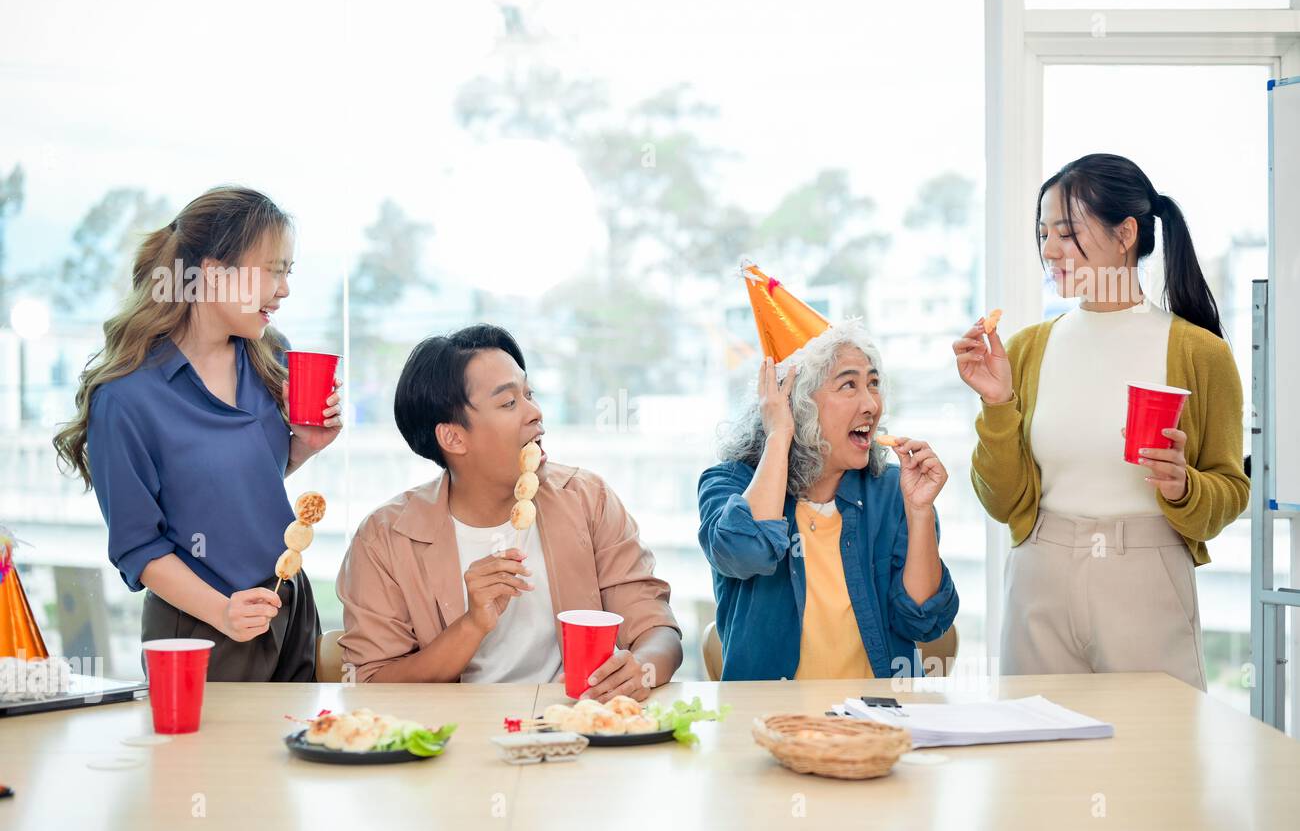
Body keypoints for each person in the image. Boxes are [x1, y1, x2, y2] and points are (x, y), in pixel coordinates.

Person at [956, 153, 1248, 690]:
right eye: (1043, 233)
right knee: (1036, 761)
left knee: (1155, 760)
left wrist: (1185, 486)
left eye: (1067, 233)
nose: (1048, 249)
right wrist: (997, 405)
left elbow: (1229, 492)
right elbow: (1001, 502)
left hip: (1147, 576)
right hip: (1039, 575)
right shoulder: (1025, 350)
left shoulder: (1199, 353)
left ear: (1126, 234)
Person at [54, 186, 342, 680]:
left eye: (287, 272)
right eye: (273, 270)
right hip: (198, 631)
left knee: (300, 754)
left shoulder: (269, 357)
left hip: (286, 608)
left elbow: (238, 483)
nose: (285, 289)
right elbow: (138, 547)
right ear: (212, 273)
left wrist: (303, 447)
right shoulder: (125, 397)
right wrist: (223, 613)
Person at [336, 324, 682, 700]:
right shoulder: (385, 537)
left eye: (529, 394)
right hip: (454, 742)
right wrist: (472, 624)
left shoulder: (588, 499)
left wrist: (642, 669)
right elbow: (369, 684)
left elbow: (658, 630)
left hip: (578, 726)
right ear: (453, 437)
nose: (536, 413)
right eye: (508, 403)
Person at [698, 270, 959, 680]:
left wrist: (920, 512)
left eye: (873, 384)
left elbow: (922, 623)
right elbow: (746, 553)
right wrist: (779, 434)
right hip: (773, 722)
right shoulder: (729, 484)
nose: (871, 403)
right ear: (798, 403)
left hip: (879, 719)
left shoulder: (892, 491)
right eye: (848, 386)